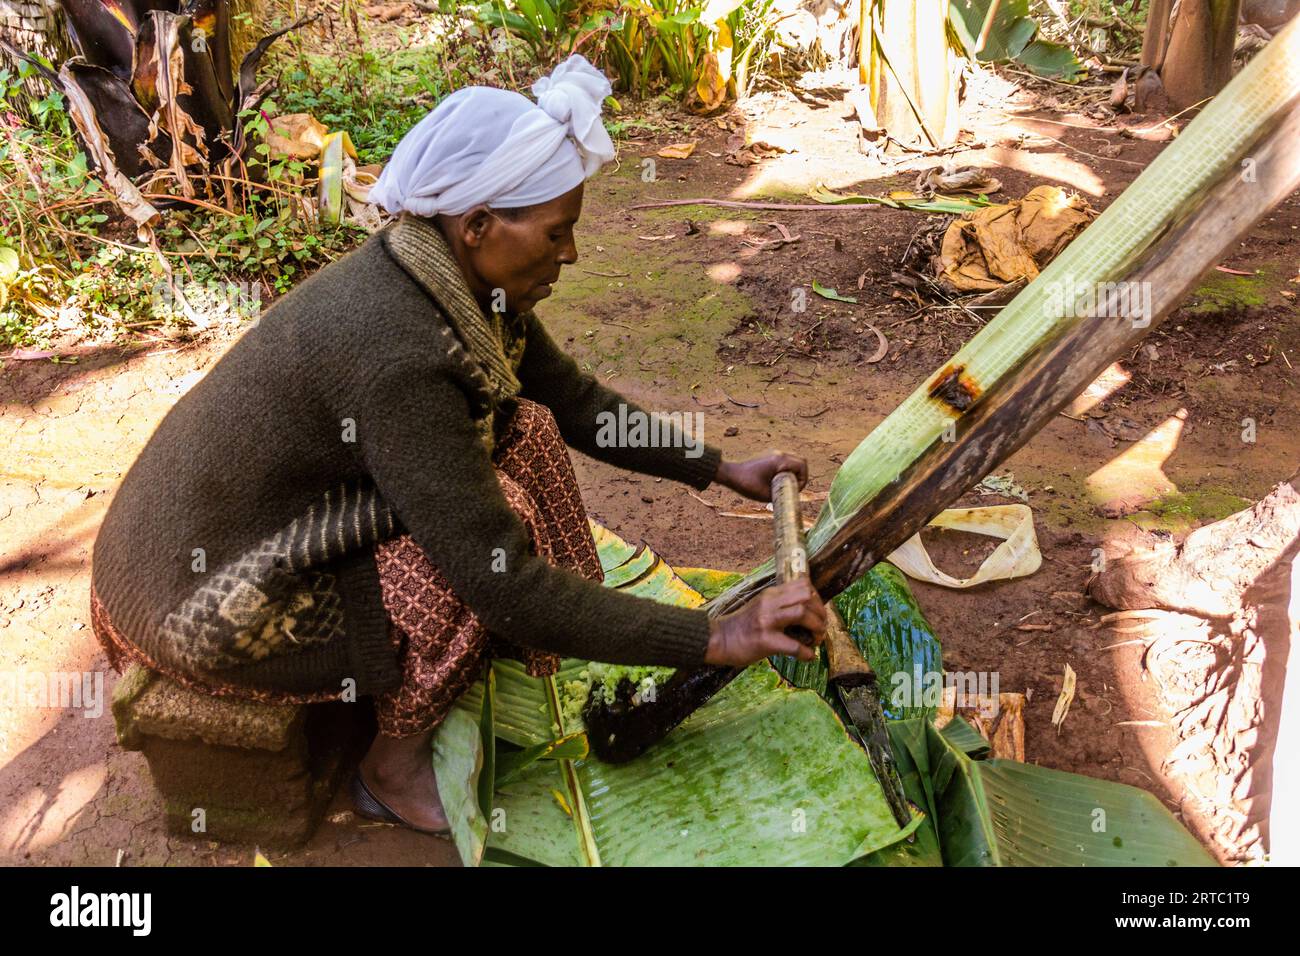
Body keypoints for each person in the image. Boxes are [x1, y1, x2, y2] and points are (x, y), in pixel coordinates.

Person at [90, 55, 827, 836]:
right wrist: (717, 637)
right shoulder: (404, 352)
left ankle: (471, 668)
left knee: (528, 430)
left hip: (254, 530)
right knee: (474, 563)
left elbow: (570, 399)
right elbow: (502, 582)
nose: (570, 253)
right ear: (478, 225)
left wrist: (718, 470)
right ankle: (391, 770)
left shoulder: (455, 278)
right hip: (195, 593)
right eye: (557, 231)